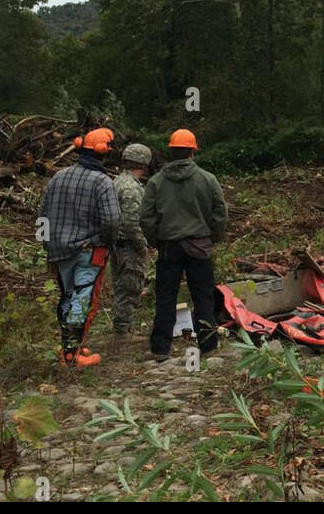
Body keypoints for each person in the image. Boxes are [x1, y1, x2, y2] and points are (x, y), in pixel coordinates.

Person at [139, 129, 228, 360]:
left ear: (170, 152)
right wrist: (212, 237)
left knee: (165, 297)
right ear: (192, 152)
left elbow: (146, 218)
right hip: (199, 246)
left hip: (169, 247)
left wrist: (156, 241)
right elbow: (220, 214)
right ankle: (208, 347)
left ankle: (160, 349)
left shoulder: (156, 182)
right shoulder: (208, 179)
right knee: (203, 296)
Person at [39, 128, 119, 368]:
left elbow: (42, 215)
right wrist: (106, 241)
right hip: (88, 249)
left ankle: (71, 344)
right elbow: (113, 220)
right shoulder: (103, 181)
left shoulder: (58, 177)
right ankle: (71, 356)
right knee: (82, 299)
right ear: (104, 153)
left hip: (59, 250)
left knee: (67, 296)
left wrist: (48, 244)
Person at [110, 142, 152, 335]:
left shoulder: (116, 182)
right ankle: (123, 331)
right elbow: (130, 223)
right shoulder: (132, 189)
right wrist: (142, 246)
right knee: (130, 286)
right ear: (143, 164)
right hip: (129, 246)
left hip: (117, 244)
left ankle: (121, 327)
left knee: (121, 286)